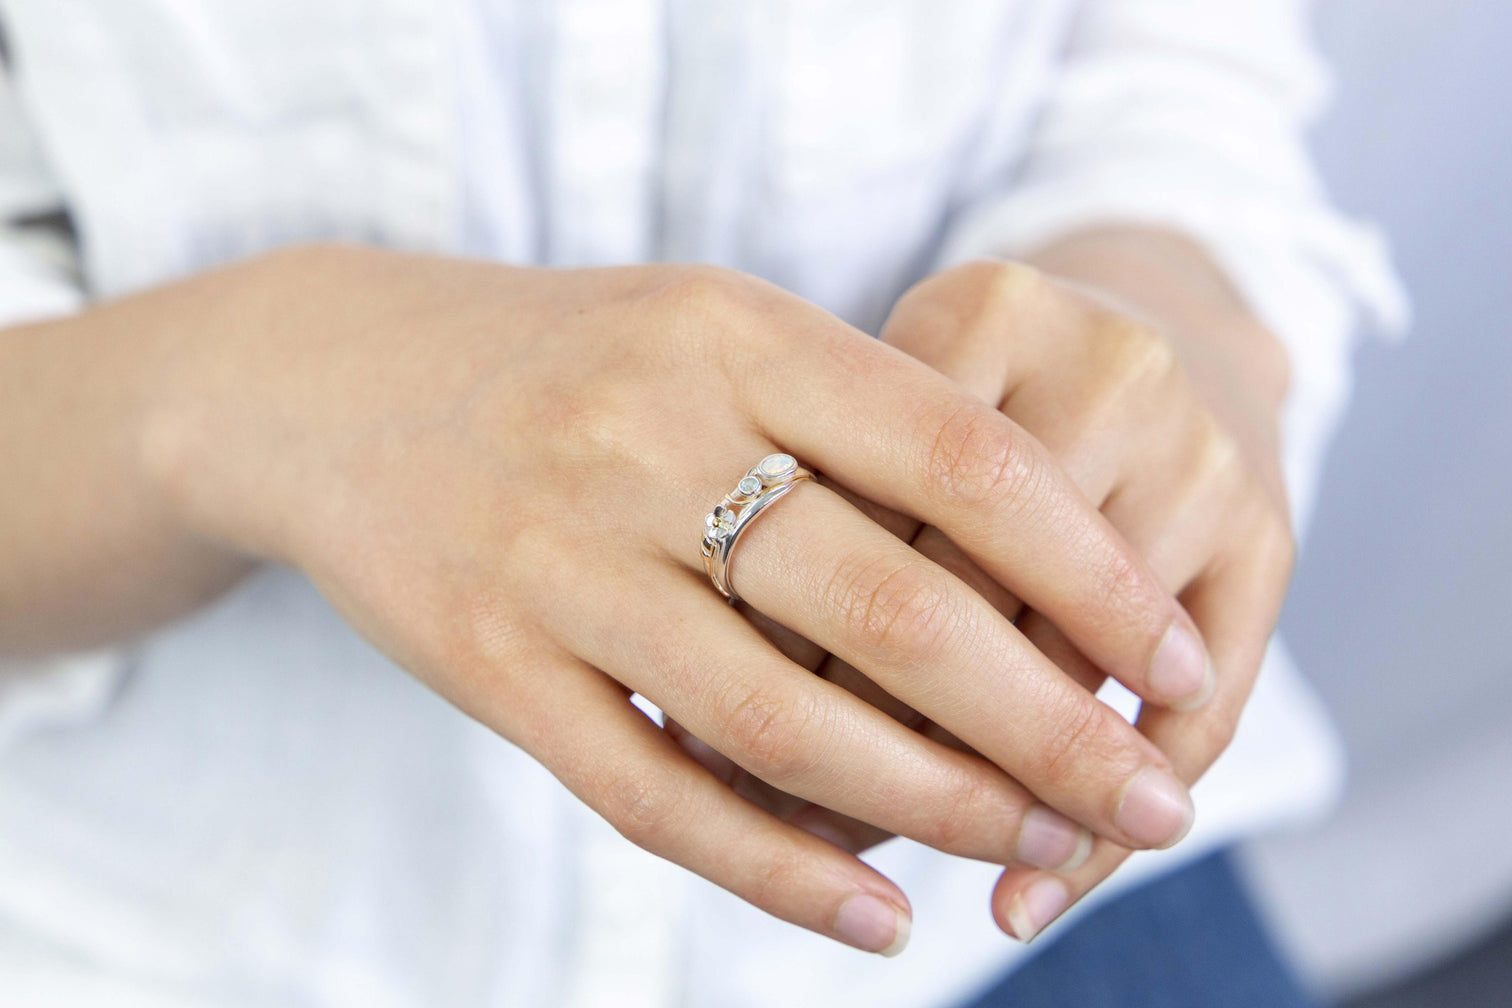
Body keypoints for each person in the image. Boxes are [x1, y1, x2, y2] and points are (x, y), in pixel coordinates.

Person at [0, 1, 1402, 1005]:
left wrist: (1170, 298)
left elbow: (1182, 65)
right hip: (186, 928)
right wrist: (272, 374)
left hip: (999, 904)